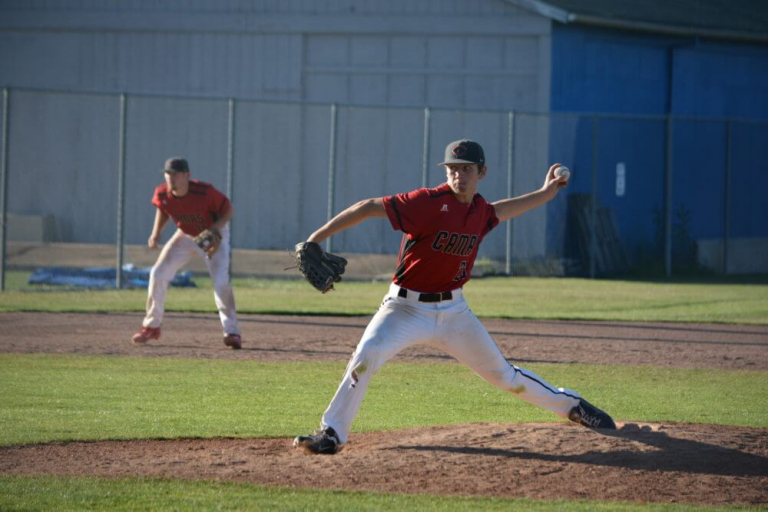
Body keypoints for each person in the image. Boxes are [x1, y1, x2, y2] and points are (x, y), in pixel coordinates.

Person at [293, 139, 616, 455]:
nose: (458, 175)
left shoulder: (480, 211)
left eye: (466, 169)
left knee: (504, 376)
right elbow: (367, 207)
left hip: (454, 312)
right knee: (367, 355)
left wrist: (545, 193)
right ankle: (332, 432)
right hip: (404, 308)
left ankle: (572, 405)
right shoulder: (427, 202)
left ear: (482, 172)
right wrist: (315, 238)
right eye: (452, 169)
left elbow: (501, 210)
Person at [131, 157, 243, 349]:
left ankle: (232, 332)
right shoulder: (162, 193)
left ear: (186, 175)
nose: (170, 177)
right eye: (168, 173)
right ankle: (151, 326)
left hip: (214, 235)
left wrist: (215, 229)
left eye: (175, 174)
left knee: (220, 282)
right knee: (158, 273)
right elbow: (164, 208)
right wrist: (156, 232)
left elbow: (228, 210)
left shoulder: (204, 192)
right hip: (185, 235)